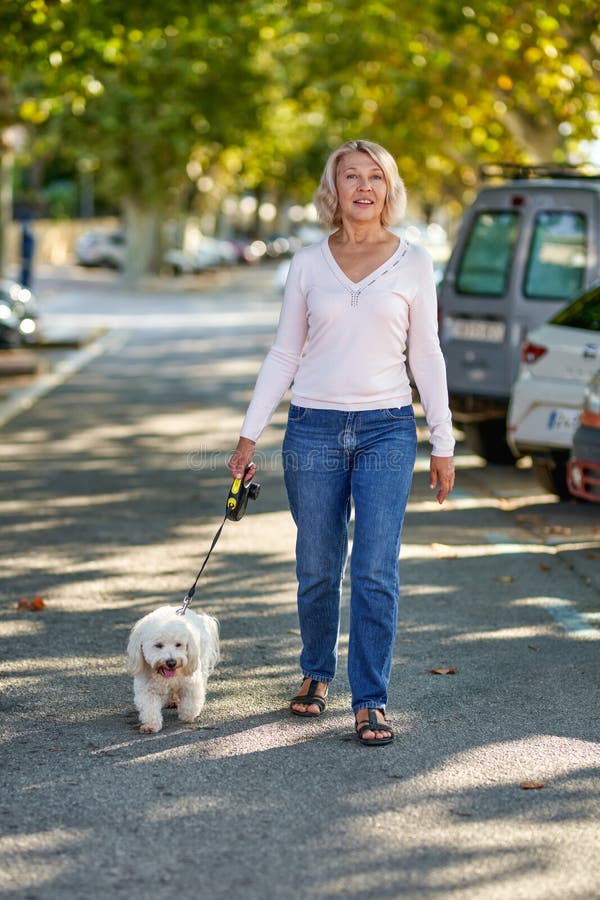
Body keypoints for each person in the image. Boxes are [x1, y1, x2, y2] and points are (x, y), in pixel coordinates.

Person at [229, 139, 455, 746]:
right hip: (314, 428)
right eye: (350, 176)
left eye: (374, 176)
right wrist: (249, 435)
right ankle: (315, 674)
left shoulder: (413, 262)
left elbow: (426, 355)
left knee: (376, 568)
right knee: (318, 566)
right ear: (334, 189)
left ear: (388, 188)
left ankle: (371, 698)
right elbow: (284, 352)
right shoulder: (307, 262)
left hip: (386, 427)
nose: (363, 186)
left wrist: (444, 441)